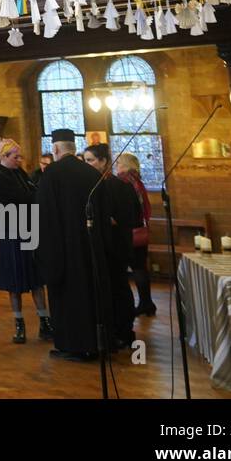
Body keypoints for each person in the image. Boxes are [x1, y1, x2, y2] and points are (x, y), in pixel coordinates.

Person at [36, 129, 124, 361]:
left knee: (68, 299)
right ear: (73, 148)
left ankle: (73, 345)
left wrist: (45, 251)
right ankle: (97, 342)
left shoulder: (51, 173)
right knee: (92, 295)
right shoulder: (91, 172)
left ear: (55, 149)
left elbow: (45, 216)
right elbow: (104, 213)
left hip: (63, 250)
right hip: (91, 247)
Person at [0, 139, 52, 344]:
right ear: (4, 157)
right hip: (12, 234)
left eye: (20, 156)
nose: (19, 160)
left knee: (37, 280)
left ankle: (44, 322)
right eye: (15, 157)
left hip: (29, 231)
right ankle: (19, 325)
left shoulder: (19, 173)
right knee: (15, 283)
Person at [83, 143, 141, 346]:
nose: (87, 164)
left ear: (104, 162)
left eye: (90, 160)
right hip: (103, 246)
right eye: (85, 160)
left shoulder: (117, 186)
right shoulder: (94, 185)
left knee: (119, 287)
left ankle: (124, 331)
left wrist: (109, 220)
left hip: (116, 246)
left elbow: (129, 217)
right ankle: (111, 330)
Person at [114, 152, 156, 316]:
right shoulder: (137, 180)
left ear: (124, 165)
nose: (116, 166)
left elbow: (123, 207)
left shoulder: (124, 181)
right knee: (140, 268)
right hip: (139, 227)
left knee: (131, 269)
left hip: (128, 230)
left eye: (118, 163)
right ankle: (147, 302)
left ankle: (133, 306)